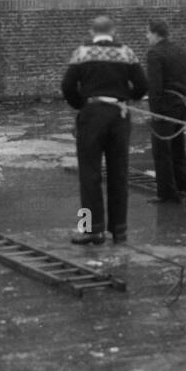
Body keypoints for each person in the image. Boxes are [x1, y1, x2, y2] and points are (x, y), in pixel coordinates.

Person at [61, 15, 148, 245]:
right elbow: (142, 85)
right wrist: (127, 98)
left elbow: (67, 86)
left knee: (89, 174)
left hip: (92, 115)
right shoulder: (126, 53)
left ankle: (92, 230)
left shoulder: (82, 53)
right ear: (114, 31)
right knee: (119, 173)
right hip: (119, 116)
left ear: (92, 32)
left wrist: (81, 105)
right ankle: (120, 230)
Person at [145, 19, 186, 203]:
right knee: (177, 146)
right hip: (183, 107)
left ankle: (167, 194)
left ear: (155, 34)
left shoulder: (154, 54)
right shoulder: (182, 51)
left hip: (165, 108)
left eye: (148, 33)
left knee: (162, 151)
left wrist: (155, 113)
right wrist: (181, 92)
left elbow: (155, 87)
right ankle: (183, 184)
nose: (147, 36)